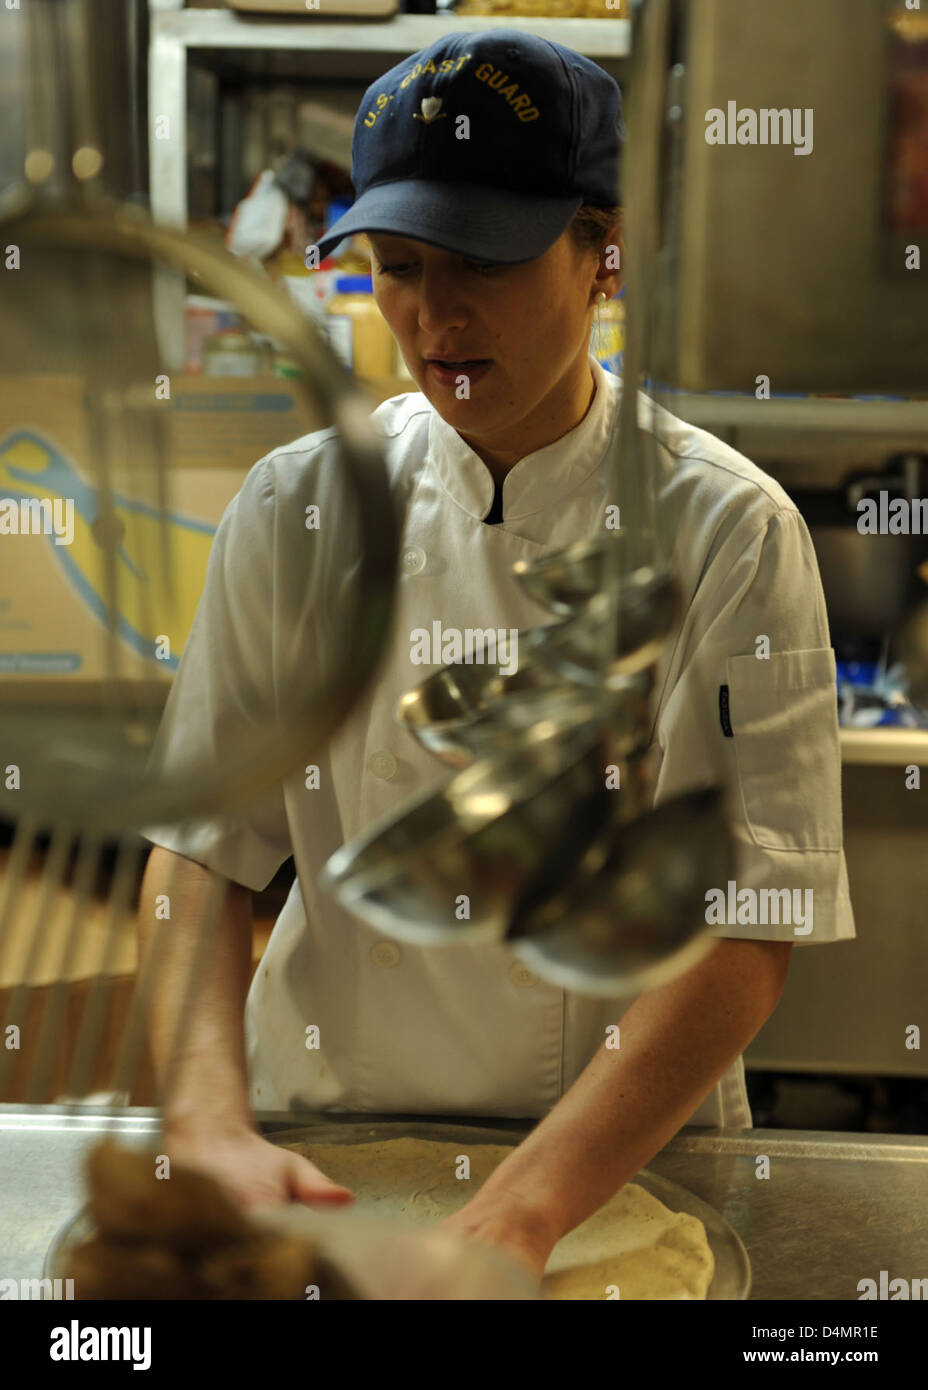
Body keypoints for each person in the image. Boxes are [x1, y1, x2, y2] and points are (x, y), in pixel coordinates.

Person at [139, 30, 855, 1284]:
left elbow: (747, 927)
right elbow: (198, 857)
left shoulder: (724, 528)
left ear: (601, 253)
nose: (433, 314)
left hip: (611, 1173)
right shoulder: (297, 508)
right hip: (330, 1144)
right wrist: (203, 1114)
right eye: (398, 266)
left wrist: (518, 1215)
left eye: (484, 261)